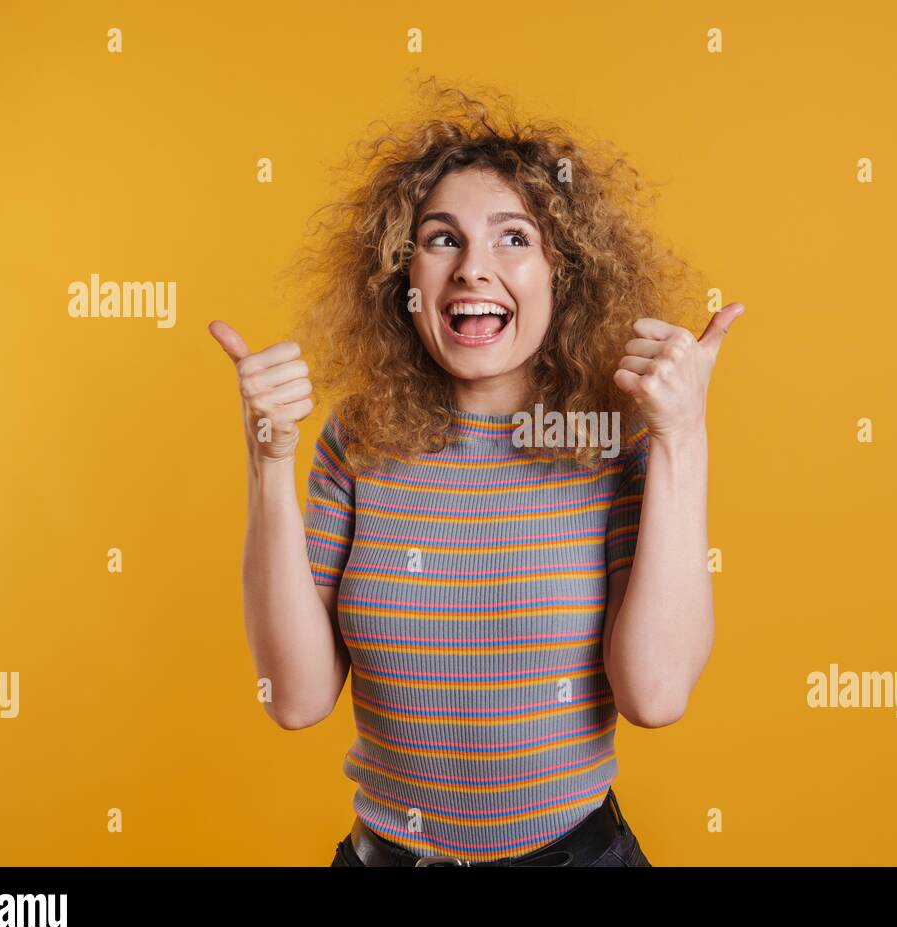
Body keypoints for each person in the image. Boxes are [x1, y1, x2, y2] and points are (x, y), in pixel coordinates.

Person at [209, 77, 743, 866]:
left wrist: (681, 436)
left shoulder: (613, 439)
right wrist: (268, 462)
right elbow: (295, 699)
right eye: (441, 238)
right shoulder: (357, 440)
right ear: (405, 278)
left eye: (513, 238)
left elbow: (654, 695)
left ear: (563, 273)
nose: (472, 268)